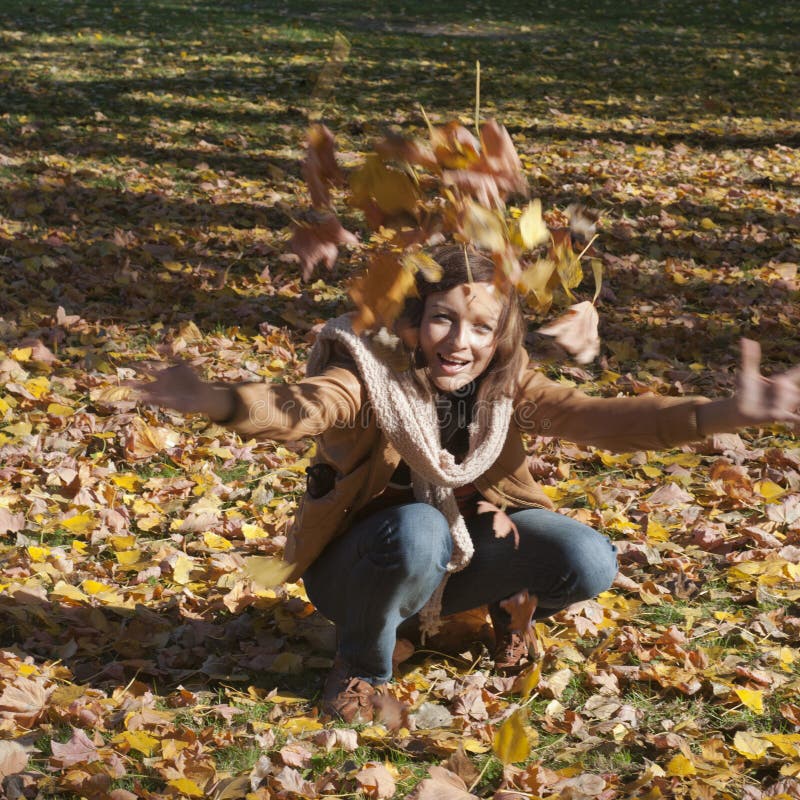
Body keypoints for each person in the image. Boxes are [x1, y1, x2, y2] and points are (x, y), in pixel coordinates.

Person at [136, 245, 800, 723]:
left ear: (501, 336)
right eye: (443, 318)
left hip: (463, 555)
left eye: (482, 326)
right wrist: (221, 401)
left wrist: (723, 414)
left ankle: (500, 613)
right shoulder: (371, 376)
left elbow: (600, 418)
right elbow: (305, 405)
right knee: (420, 528)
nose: (460, 341)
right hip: (357, 568)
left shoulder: (506, 388)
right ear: (413, 322)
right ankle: (362, 667)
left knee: (587, 557)